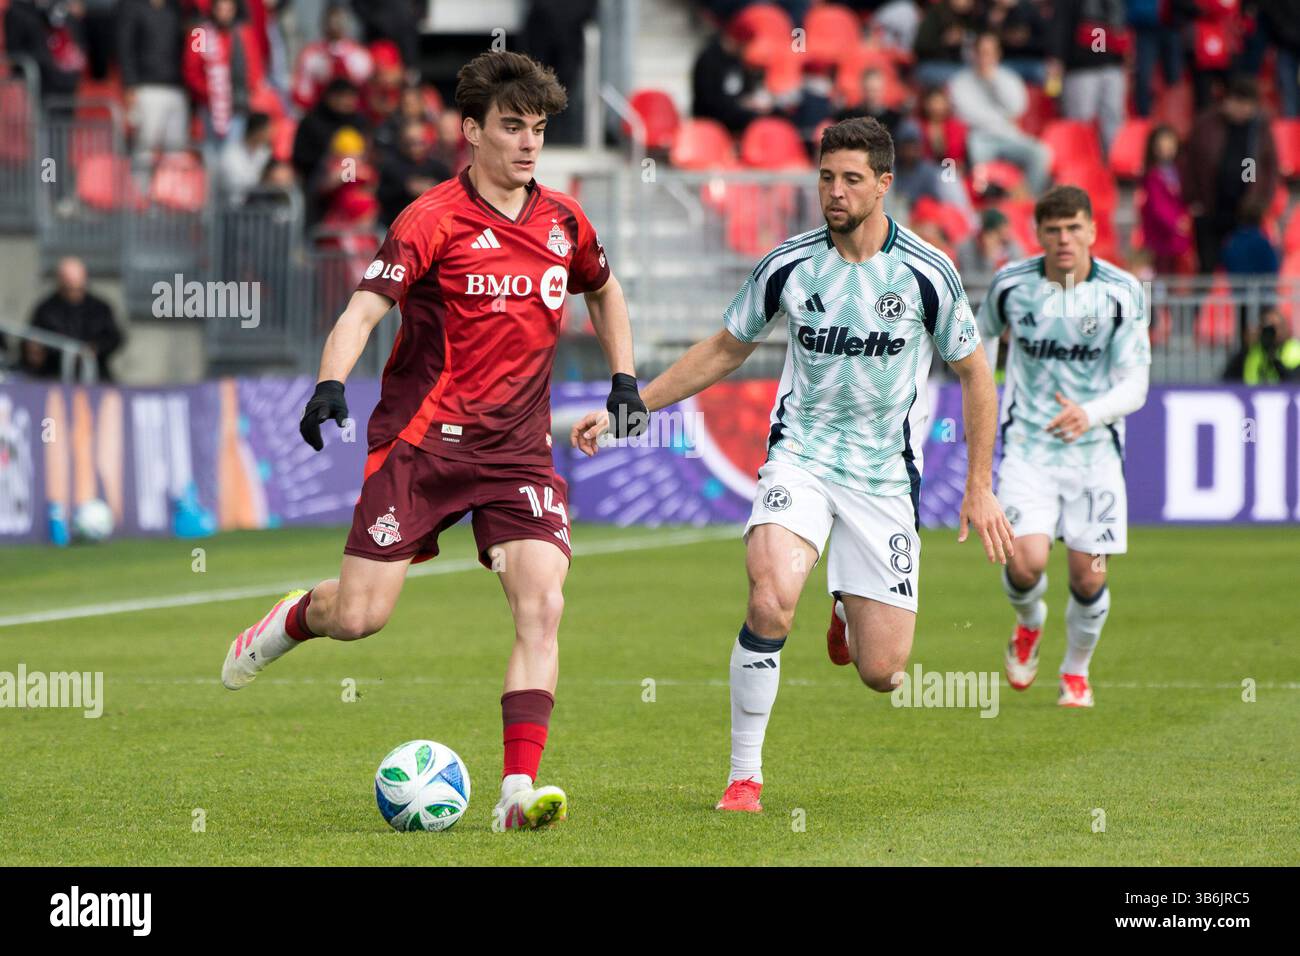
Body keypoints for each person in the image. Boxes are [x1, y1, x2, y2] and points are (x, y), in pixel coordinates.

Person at [219, 51, 647, 832]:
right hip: (422, 446)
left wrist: (625, 377)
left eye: (539, 129)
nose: (527, 144)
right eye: (511, 126)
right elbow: (362, 311)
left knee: (541, 604)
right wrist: (329, 384)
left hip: (516, 454)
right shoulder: (432, 218)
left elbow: (605, 290)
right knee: (358, 618)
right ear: (471, 130)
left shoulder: (564, 220)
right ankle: (289, 620)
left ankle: (517, 791)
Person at [571, 117, 1014, 813]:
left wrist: (980, 487)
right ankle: (744, 776)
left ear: (885, 185)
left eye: (851, 180)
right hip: (800, 460)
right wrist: (635, 408)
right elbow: (724, 348)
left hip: (882, 480)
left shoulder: (929, 273)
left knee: (883, 671)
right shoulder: (790, 264)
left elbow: (976, 375)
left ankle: (843, 605)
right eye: (826, 178)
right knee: (771, 596)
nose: (834, 193)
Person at [977, 186, 1152, 708]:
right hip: (1028, 447)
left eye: (1074, 228)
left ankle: (1075, 670)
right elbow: (981, 338)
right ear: (1039, 234)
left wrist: (1089, 412)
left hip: (1096, 455)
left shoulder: (1121, 293)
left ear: (1094, 230)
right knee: (1026, 562)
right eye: (1053, 230)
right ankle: (1030, 623)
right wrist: (983, 390)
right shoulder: (1012, 284)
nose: (1064, 239)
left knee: (1088, 572)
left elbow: (1136, 384)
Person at [1180, 74, 1279, 274]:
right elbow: (1188, 163)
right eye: (1238, 102)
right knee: (1206, 268)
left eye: (1248, 104)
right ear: (1227, 101)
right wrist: (1193, 199)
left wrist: (1258, 200)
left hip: (1245, 214)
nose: (1242, 109)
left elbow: (1265, 167)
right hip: (1210, 210)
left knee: (1244, 272)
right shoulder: (1205, 124)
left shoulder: (1257, 130)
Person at [948, 31, 1051, 193]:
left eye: (989, 52)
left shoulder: (1009, 78)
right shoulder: (960, 81)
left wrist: (993, 80)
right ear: (973, 53)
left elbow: (1017, 108)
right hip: (980, 138)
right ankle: (987, 204)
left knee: (1041, 153)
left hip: (1010, 135)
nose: (984, 57)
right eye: (981, 52)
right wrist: (1002, 118)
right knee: (978, 161)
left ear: (998, 54)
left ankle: (1028, 201)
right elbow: (965, 115)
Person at [182, 0, 266, 154]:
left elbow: (254, 66)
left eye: (228, 9)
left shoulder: (244, 33)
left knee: (232, 151)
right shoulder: (199, 34)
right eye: (220, 9)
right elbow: (191, 68)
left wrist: (250, 89)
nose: (224, 13)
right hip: (209, 106)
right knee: (210, 152)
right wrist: (211, 93)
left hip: (237, 104)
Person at [1046, 0, 1128, 154]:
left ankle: (1114, 169)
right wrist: (1056, 58)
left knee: (1114, 119)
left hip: (1112, 65)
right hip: (1081, 68)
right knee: (1080, 120)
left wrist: (1123, 59)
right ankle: (1078, 165)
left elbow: (1120, 26)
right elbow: (1060, 24)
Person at [23, 257, 123, 382]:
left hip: (96, 375)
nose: (74, 293)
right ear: (60, 282)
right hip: (54, 375)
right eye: (69, 289)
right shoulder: (46, 309)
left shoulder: (100, 308)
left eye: (77, 289)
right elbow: (32, 341)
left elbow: (114, 337)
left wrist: (94, 349)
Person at [118, 0, 189, 162]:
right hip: (146, 88)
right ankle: (139, 188)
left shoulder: (176, 9)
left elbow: (193, 44)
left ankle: (172, 188)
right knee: (145, 151)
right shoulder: (133, 7)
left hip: (177, 89)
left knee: (176, 153)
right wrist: (130, 85)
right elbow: (125, 48)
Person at [290, 2, 372, 113]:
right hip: (321, 114)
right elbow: (302, 93)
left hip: (353, 115)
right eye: (331, 21)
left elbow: (366, 91)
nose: (334, 26)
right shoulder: (311, 55)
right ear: (322, 24)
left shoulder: (360, 56)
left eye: (338, 21)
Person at [376, 119, 451, 226]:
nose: (414, 147)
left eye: (419, 142)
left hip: (431, 227)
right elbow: (381, 196)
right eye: (410, 142)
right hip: (396, 226)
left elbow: (450, 198)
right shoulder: (391, 167)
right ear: (402, 141)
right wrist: (405, 188)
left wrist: (433, 190)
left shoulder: (439, 168)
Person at [1139, 124, 1192, 275]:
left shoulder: (1180, 172)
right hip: (1161, 234)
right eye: (1161, 146)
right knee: (1162, 272)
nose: (1166, 150)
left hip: (1179, 235)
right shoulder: (1152, 176)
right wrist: (1175, 223)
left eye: (1169, 145)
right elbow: (1158, 206)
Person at [1223, 307, 1300, 383]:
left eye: (1276, 327)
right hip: (1252, 393)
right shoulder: (1253, 350)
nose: (1272, 333)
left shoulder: (1296, 350)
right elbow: (1227, 379)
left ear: (1286, 328)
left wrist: (1273, 357)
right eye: (1267, 328)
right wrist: (1245, 348)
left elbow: (1293, 382)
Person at [217, 111, 273, 203]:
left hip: (258, 205)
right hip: (233, 208)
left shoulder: (265, 153)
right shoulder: (231, 153)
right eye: (267, 130)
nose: (270, 134)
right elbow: (234, 183)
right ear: (258, 131)